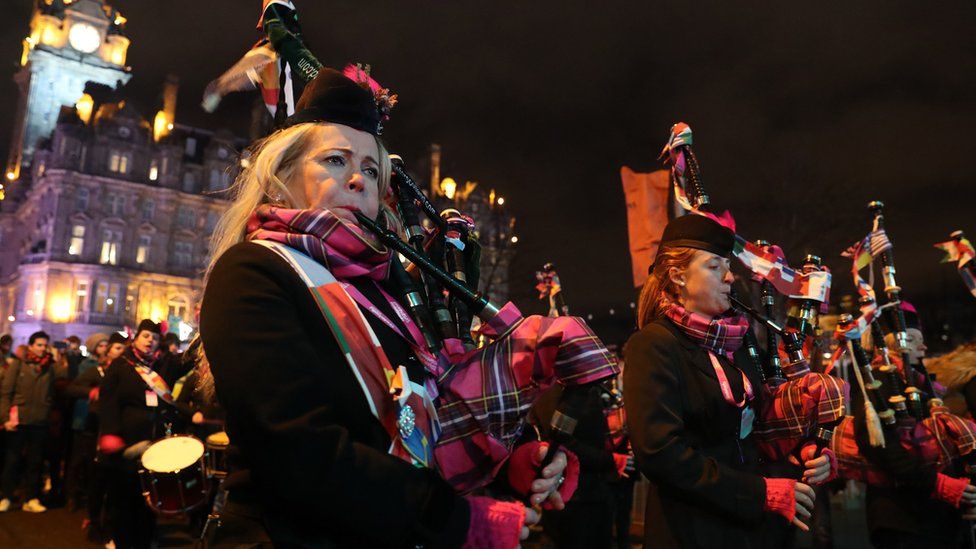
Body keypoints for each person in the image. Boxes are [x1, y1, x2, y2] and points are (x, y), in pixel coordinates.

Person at [199, 66, 571, 547]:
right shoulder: (254, 273)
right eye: (335, 160)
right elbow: (297, 450)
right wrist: (454, 520)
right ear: (281, 178)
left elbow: (437, 403)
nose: (357, 179)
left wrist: (511, 460)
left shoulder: (393, 285)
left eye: (371, 169)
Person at [623, 215, 832, 548]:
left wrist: (801, 451)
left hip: (751, 528)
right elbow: (659, 453)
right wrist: (759, 493)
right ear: (678, 276)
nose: (730, 276)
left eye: (728, 265)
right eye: (714, 266)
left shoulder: (738, 343)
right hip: (692, 530)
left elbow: (756, 428)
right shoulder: (653, 344)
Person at [99, 320, 192, 549]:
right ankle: (121, 539)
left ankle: (146, 538)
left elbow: (187, 361)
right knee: (125, 498)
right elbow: (108, 402)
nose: (151, 341)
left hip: (154, 443)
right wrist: (111, 433)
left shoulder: (162, 365)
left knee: (150, 498)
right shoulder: (120, 366)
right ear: (136, 338)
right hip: (128, 444)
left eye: (155, 338)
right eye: (146, 336)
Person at [0, 331, 65, 513]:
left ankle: (31, 498)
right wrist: (5, 418)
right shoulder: (19, 364)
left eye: (45, 345)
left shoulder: (50, 367)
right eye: (39, 345)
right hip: (18, 420)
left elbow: (58, 383)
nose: (42, 349)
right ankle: (5, 496)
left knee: (35, 462)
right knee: (12, 460)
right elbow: (6, 393)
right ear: (30, 346)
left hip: (39, 421)